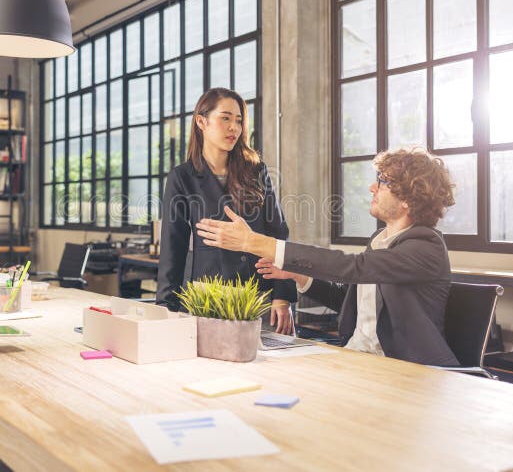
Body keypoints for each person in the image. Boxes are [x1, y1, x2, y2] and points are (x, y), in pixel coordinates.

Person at [195, 147, 459, 365]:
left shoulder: (425, 246)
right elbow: (349, 300)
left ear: (408, 200)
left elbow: (352, 267)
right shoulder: (380, 241)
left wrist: (253, 241)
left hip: (403, 369)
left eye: (383, 181)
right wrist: (298, 275)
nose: (372, 187)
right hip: (356, 358)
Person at [157, 87, 297, 333]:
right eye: (226, 118)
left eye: (239, 121)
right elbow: (172, 247)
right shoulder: (182, 177)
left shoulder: (257, 171)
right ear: (202, 121)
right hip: (210, 297)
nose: (234, 127)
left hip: (260, 296)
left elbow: (278, 233)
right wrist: (165, 308)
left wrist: (282, 296)